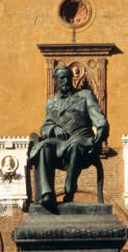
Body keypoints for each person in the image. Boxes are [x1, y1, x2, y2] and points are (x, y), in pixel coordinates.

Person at [26, 64, 108, 211]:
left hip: (83, 139)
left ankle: (70, 187)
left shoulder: (85, 96)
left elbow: (98, 117)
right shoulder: (51, 103)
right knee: (44, 147)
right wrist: (54, 128)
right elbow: (45, 127)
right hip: (61, 143)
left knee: (76, 144)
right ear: (56, 81)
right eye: (62, 78)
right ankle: (47, 194)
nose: (66, 81)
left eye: (68, 78)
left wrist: (101, 130)